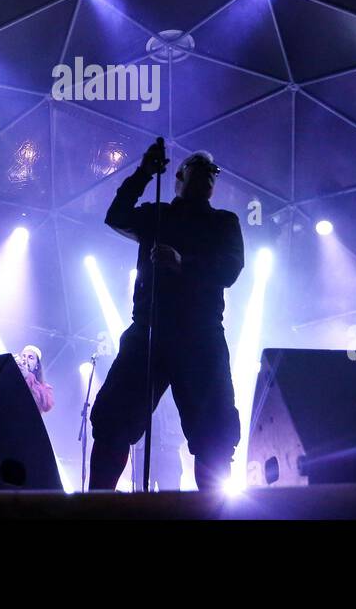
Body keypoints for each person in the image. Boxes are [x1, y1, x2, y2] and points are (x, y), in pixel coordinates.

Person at [89, 145, 244, 491]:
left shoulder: (224, 222)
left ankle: (214, 511)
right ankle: (95, 509)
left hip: (200, 335)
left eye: (211, 171)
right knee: (113, 422)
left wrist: (182, 262)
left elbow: (230, 269)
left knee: (215, 436)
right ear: (179, 176)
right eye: (197, 167)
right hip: (150, 329)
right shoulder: (156, 216)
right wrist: (144, 172)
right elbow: (116, 215)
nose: (207, 173)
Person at [16, 345, 54, 413]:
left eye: (30, 357)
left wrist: (28, 376)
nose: (25, 359)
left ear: (37, 366)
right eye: (23, 356)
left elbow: (48, 405)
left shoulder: (45, 387)